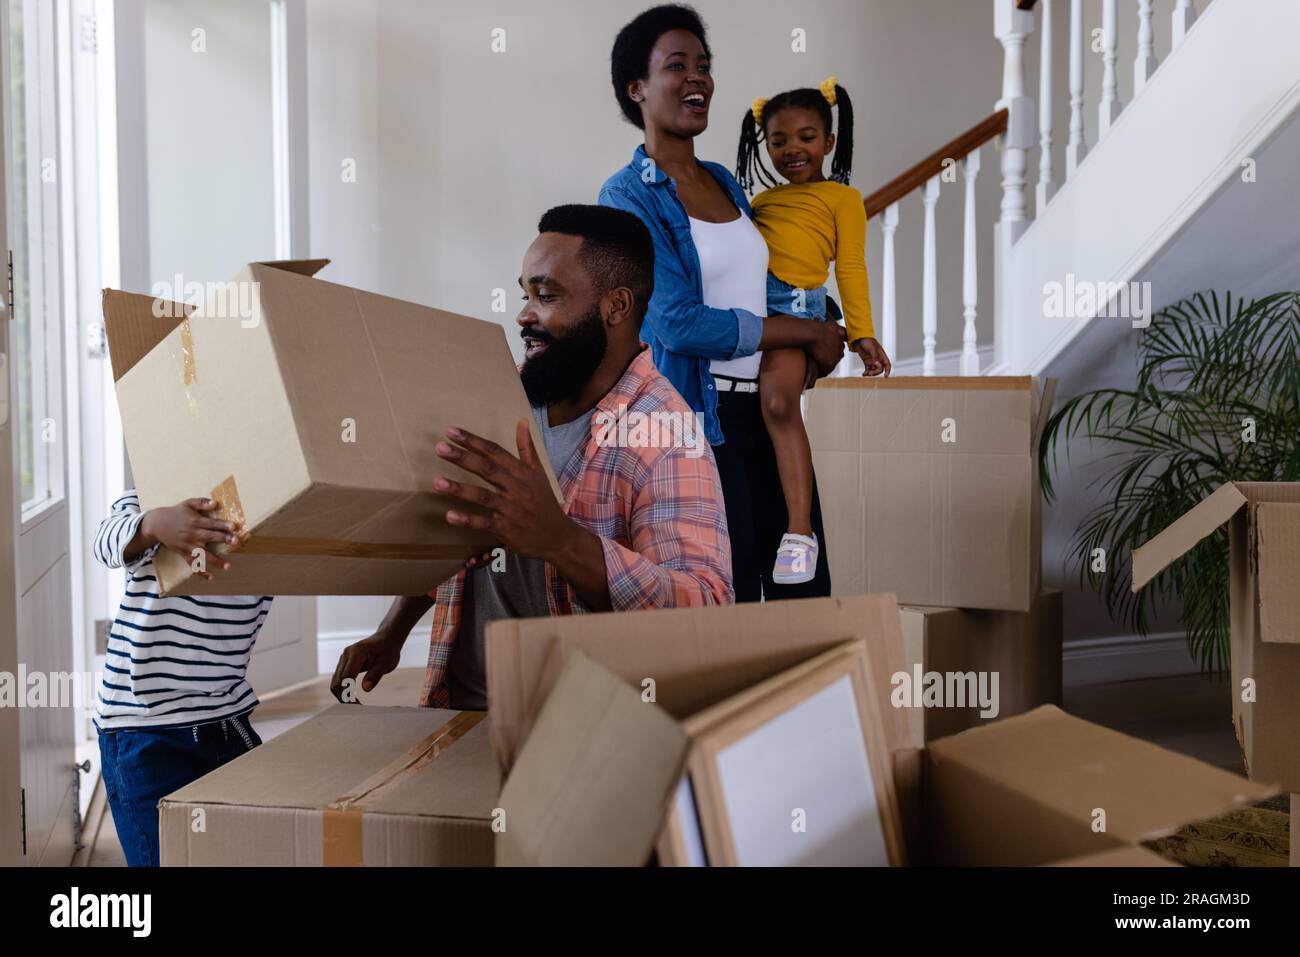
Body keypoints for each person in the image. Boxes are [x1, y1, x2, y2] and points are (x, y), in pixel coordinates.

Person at [330, 204, 732, 708]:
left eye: (546, 295)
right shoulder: (507, 393)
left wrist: (561, 540)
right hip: (460, 708)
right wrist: (392, 631)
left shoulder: (665, 435)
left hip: (575, 730)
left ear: (616, 306)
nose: (523, 313)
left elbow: (703, 608)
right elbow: (459, 522)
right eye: (525, 294)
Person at [598, 4, 846, 602]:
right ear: (637, 88)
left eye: (703, 66)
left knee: (803, 597)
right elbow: (678, 324)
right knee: (726, 605)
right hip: (698, 429)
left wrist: (824, 324)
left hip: (769, 413)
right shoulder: (627, 193)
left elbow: (766, 282)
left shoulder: (726, 182)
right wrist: (799, 335)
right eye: (676, 65)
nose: (697, 78)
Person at [735, 76, 892, 584]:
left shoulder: (843, 199)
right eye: (778, 141)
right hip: (751, 309)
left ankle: (799, 534)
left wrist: (862, 332)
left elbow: (850, 266)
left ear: (828, 142)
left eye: (806, 137)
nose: (791, 149)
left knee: (778, 404)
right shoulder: (757, 203)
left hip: (798, 310)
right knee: (743, 413)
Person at [93, 491, 268, 867]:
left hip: (224, 714)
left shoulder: (269, 496)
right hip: (144, 726)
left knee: (240, 847)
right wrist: (154, 524)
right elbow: (105, 542)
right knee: (162, 856)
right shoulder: (153, 488)